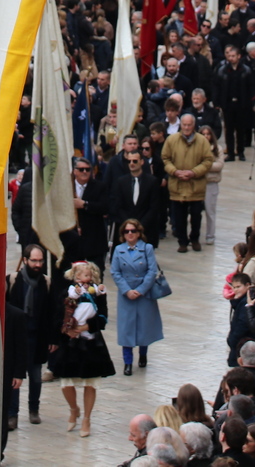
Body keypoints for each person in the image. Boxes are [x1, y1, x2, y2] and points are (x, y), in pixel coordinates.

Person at [49, 261, 114, 437]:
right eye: (80, 275)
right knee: (65, 382)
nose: (84, 278)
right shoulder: (68, 291)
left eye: (87, 274)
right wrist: (66, 329)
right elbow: (59, 313)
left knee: (90, 383)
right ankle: (73, 408)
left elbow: (103, 316)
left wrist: (86, 327)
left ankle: (87, 419)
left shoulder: (98, 292)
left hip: (91, 342)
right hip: (70, 342)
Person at [109, 218, 164, 375]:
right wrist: (127, 290)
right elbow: (115, 272)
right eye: (127, 231)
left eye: (133, 231)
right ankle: (127, 362)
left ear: (139, 233)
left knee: (143, 327)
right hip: (126, 295)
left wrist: (140, 290)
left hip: (144, 294)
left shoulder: (147, 249)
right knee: (126, 330)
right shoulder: (119, 250)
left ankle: (143, 354)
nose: (130, 234)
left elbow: (152, 271)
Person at [5, 245, 52, 427]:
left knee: (35, 376)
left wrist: (52, 339)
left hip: (37, 337)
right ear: (25, 260)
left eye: (40, 261)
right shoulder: (13, 280)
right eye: (34, 260)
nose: (38, 264)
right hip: (16, 338)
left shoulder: (46, 283)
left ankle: (34, 409)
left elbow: (51, 312)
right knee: (15, 376)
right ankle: (12, 413)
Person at [163, 113, 213, 253]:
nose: (186, 127)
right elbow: (165, 159)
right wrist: (174, 171)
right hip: (177, 186)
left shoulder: (202, 141)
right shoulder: (171, 140)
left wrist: (194, 172)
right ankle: (182, 241)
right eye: (184, 125)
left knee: (196, 216)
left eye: (189, 125)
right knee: (179, 217)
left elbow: (208, 161)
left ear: (194, 125)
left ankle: (195, 239)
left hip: (195, 186)